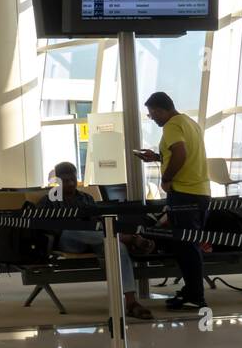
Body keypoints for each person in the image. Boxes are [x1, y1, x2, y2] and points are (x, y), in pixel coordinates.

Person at [42, 162, 151, 319]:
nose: (71, 184)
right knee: (73, 230)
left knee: (118, 247)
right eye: (66, 181)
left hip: (95, 239)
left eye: (73, 179)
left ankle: (131, 302)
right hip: (67, 242)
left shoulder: (86, 198)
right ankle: (127, 237)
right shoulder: (49, 201)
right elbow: (46, 227)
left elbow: (99, 222)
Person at [135, 91, 211, 311]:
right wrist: (157, 157)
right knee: (188, 244)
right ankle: (191, 291)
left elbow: (180, 152)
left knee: (186, 246)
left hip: (185, 193)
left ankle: (196, 296)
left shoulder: (171, 126)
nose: (153, 119)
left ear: (161, 109)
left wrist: (166, 178)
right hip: (201, 192)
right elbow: (183, 154)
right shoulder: (189, 123)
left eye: (152, 114)